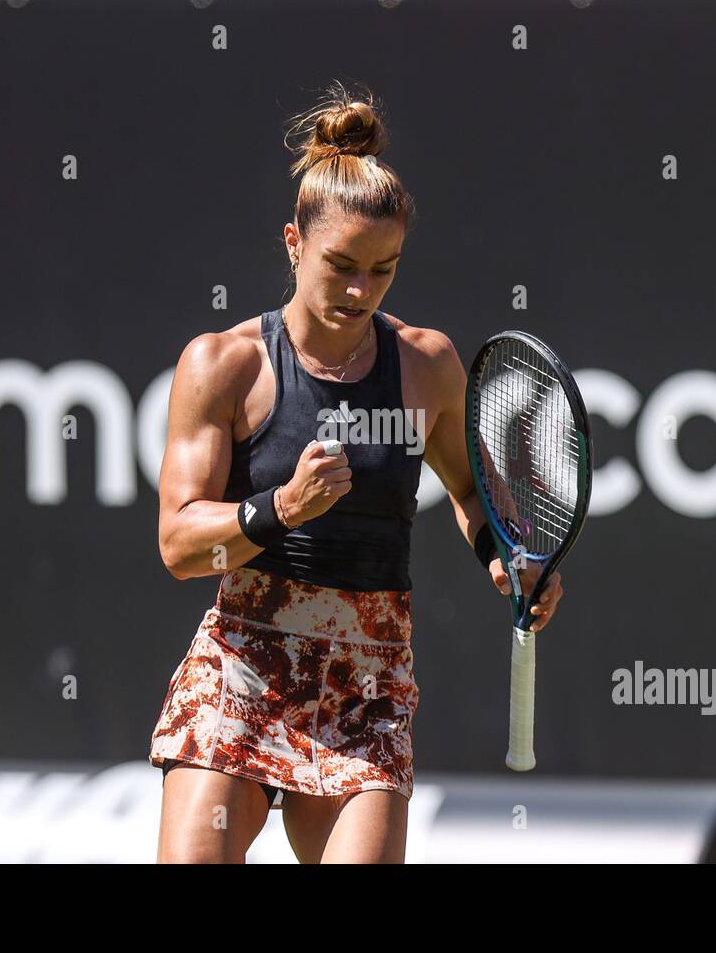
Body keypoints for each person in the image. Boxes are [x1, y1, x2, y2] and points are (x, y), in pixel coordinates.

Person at [148, 81, 564, 863]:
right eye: (340, 264)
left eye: (383, 270)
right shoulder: (224, 364)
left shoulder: (426, 366)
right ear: (293, 243)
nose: (358, 290)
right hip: (241, 666)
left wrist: (507, 558)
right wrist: (280, 508)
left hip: (367, 685)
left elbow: (474, 494)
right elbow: (177, 546)